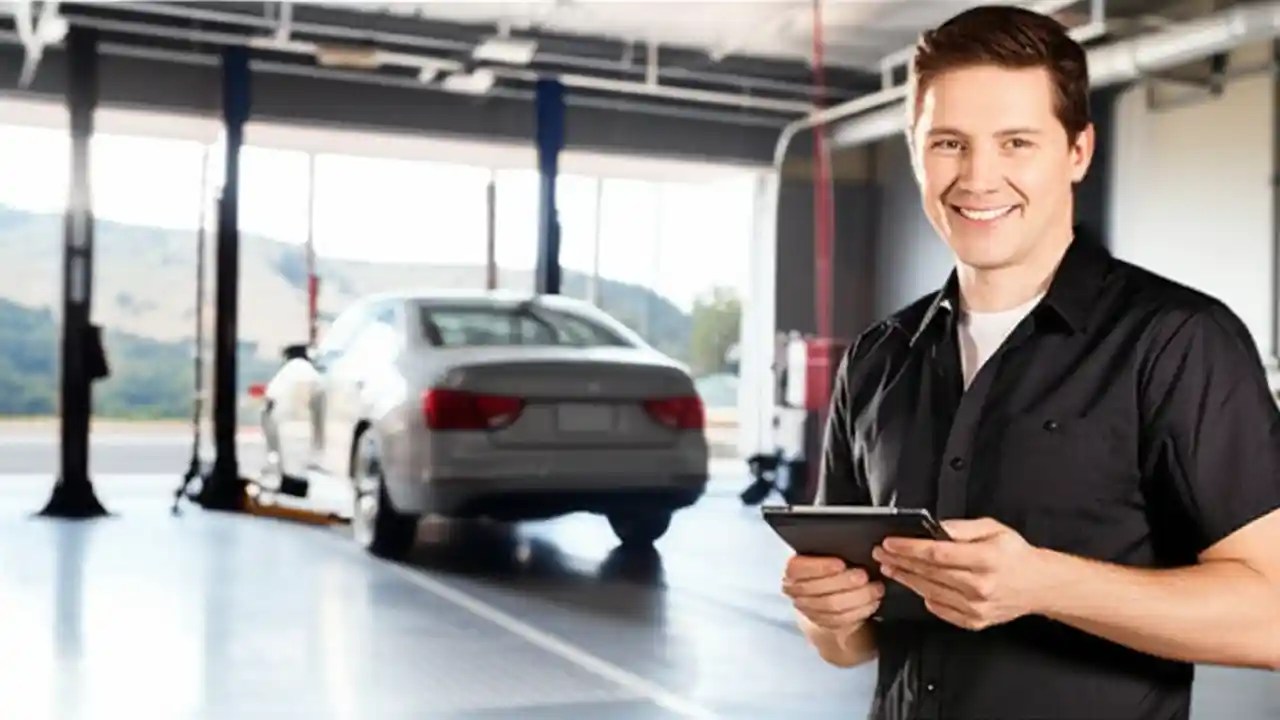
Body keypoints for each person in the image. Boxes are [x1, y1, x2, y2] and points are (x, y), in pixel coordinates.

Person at [781, 5, 1280, 720]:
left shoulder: (1177, 341)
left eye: (1016, 142)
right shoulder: (878, 359)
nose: (978, 178)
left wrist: (1044, 585)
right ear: (917, 151)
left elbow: (1272, 617)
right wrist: (827, 611)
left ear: (1078, 151)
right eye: (949, 143)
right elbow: (848, 644)